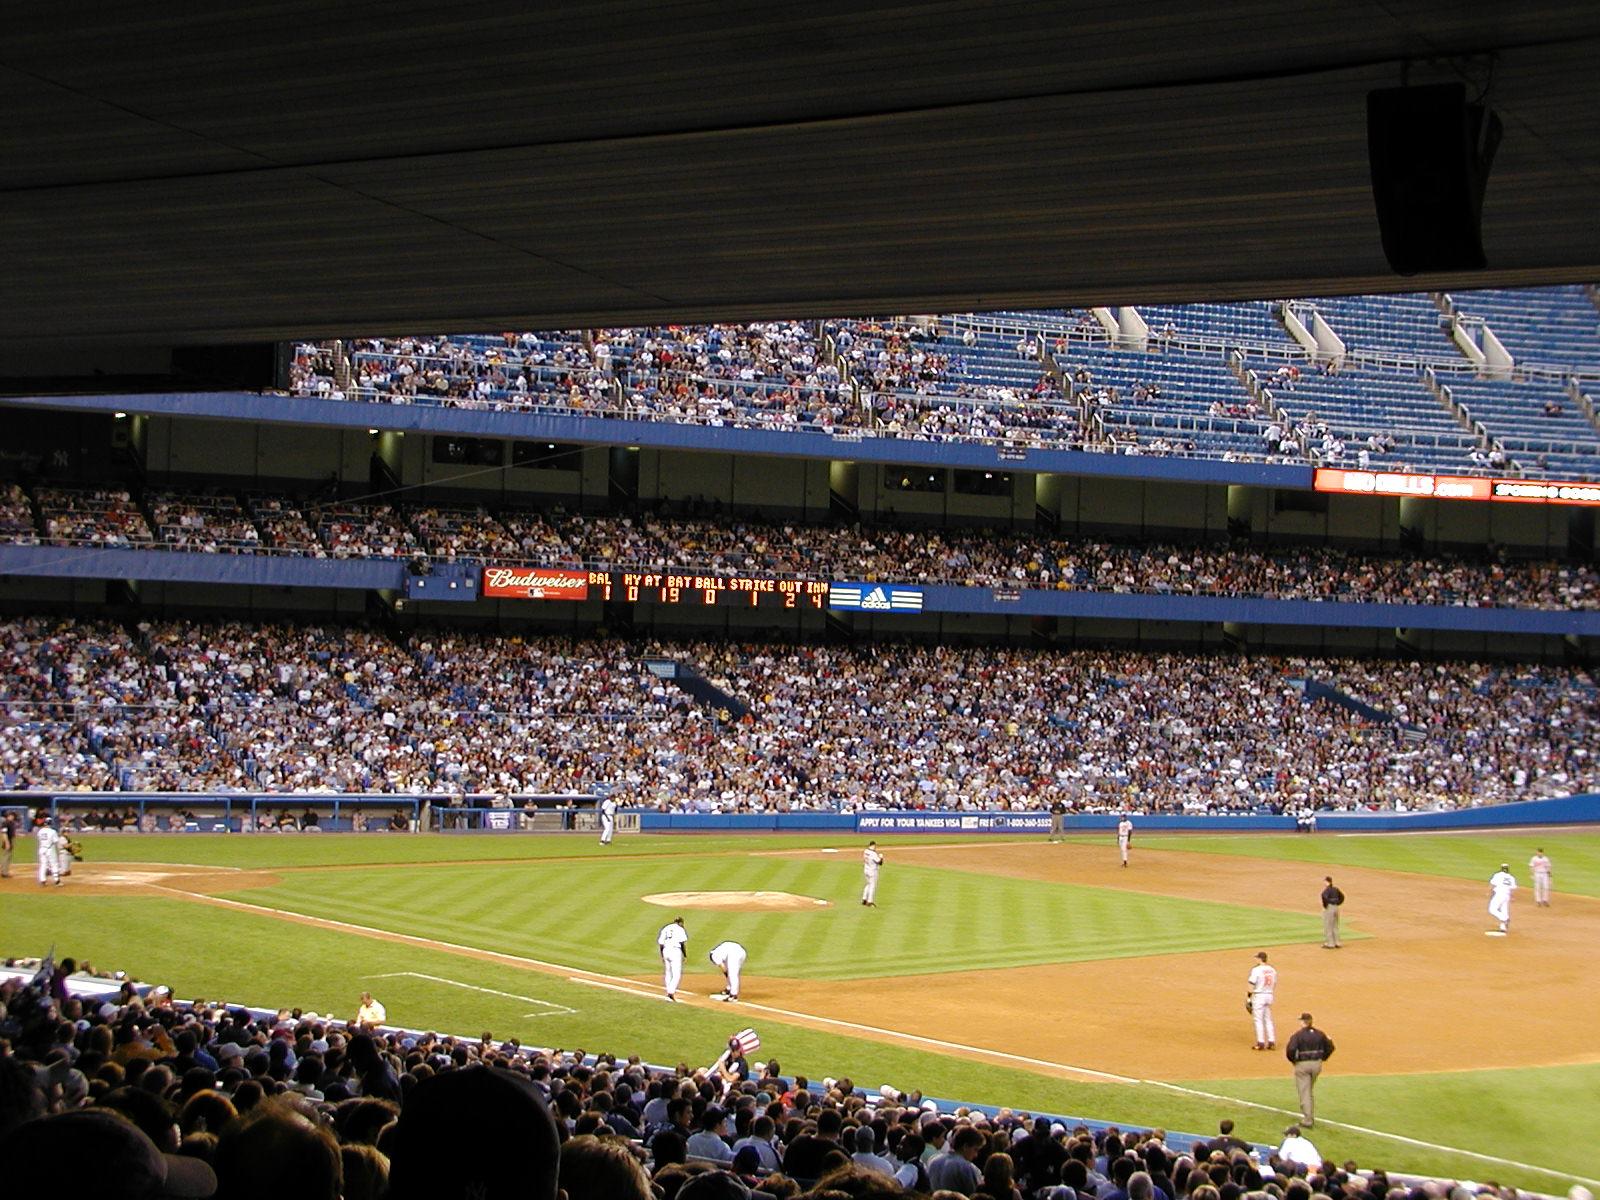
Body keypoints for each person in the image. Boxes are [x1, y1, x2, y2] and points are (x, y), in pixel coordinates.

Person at [1284, 1012, 1335, 1127]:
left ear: (1303, 1022)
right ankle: (1309, 1115)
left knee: (1305, 1092)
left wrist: (1294, 1061)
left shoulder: (1297, 1035)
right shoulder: (1320, 1034)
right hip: (1317, 1065)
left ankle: (1307, 1120)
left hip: (1302, 1065)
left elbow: (1291, 1050)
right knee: (1308, 1090)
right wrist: (1323, 1058)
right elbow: (1330, 1047)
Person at [1247, 951, 1277, 1050]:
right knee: (1268, 1019)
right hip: (1269, 995)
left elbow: (1251, 984)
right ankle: (1271, 1041)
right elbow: (1274, 983)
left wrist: (1248, 998)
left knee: (1258, 1019)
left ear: (1260, 959)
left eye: (1256, 958)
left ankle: (1260, 1043)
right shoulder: (1272, 970)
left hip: (1259, 996)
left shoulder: (1256, 970)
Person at [658, 916, 688, 1001]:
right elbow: (682, 943)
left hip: (665, 951)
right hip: (675, 951)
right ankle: (671, 992)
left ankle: (668, 991)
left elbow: (661, 943)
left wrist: (662, 956)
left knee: (668, 972)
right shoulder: (680, 929)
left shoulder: (666, 928)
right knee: (676, 974)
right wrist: (685, 955)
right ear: (680, 923)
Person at [1488, 863, 1517, 933]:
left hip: (1499, 894)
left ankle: (1505, 918)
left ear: (1501, 868)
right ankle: (1503, 928)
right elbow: (1512, 888)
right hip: (1507, 895)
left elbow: (1492, 884)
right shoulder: (1511, 877)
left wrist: (1491, 893)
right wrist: (1512, 896)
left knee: (1492, 909)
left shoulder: (1498, 875)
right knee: (1504, 910)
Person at [36, 817, 64, 887]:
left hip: (42, 849)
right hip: (50, 849)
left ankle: (42, 880)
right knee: (54, 864)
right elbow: (56, 842)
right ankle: (57, 881)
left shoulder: (40, 831)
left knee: (43, 865)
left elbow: (39, 839)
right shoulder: (52, 831)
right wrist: (59, 850)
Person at [1319, 876, 1345, 949]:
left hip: (1329, 908)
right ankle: (1337, 942)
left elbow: (1323, 896)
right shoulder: (1336, 889)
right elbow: (1342, 897)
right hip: (1336, 908)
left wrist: (1326, 905)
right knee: (1335, 925)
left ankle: (1330, 943)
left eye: (1325, 881)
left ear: (1327, 882)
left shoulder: (1327, 890)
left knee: (1328, 925)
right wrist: (1338, 903)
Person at [862, 841, 884, 907]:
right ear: (873, 845)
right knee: (872, 886)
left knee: (868, 884)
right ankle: (870, 902)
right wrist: (881, 857)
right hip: (872, 871)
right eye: (875, 846)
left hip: (866, 870)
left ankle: (864, 899)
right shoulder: (873, 853)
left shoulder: (865, 851)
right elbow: (880, 863)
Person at [1, 810, 16, 877]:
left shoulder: (11, 823)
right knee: (6, 857)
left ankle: (5, 871)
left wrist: (12, 842)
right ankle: (4, 872)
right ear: (8, 816)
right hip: (7, 841)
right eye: (12, 815)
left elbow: (12, 834)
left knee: (8, 857)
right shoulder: (5, 823)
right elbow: (4, 834)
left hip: (10, 841)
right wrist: (7, 843)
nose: (13, 817)